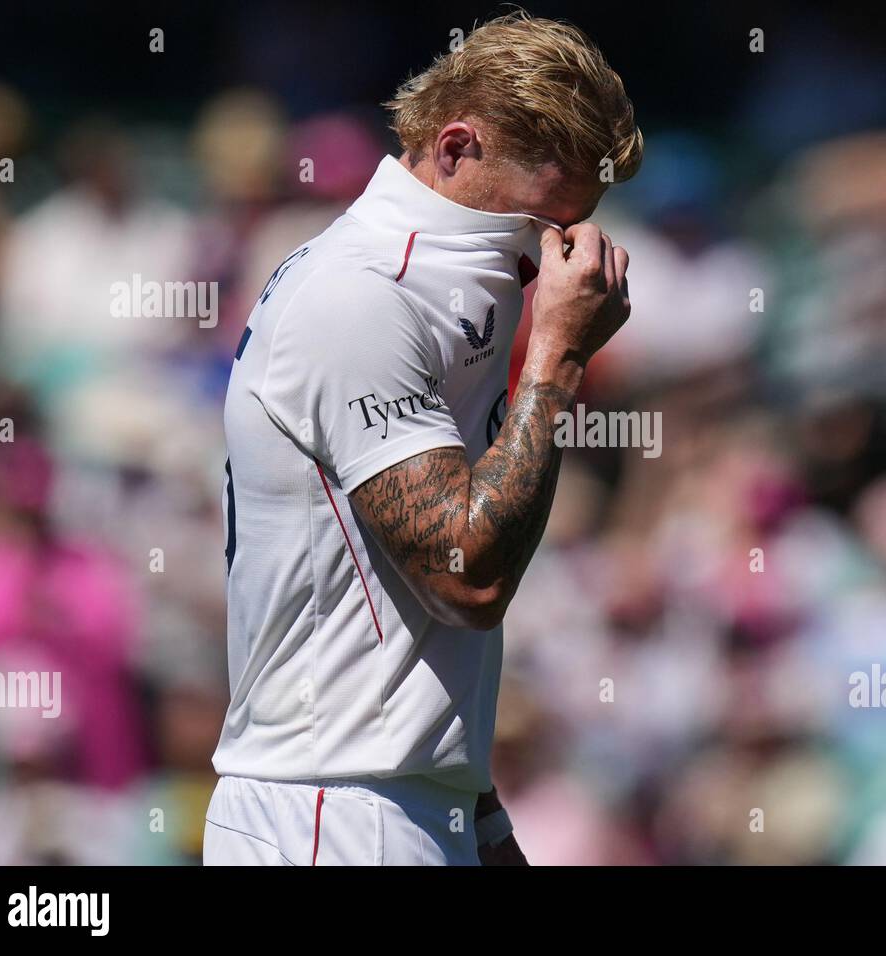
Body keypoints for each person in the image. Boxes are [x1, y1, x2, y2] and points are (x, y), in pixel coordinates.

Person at [203, 10, 642, 865]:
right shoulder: (362, 297)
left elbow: (414, 634)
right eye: (542, 226)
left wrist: (478, 817)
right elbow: (465, 577)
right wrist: (554, 359)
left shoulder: (441, 284)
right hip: (330, 814)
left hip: (404, 803)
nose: (558, 259)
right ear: (455, 149)